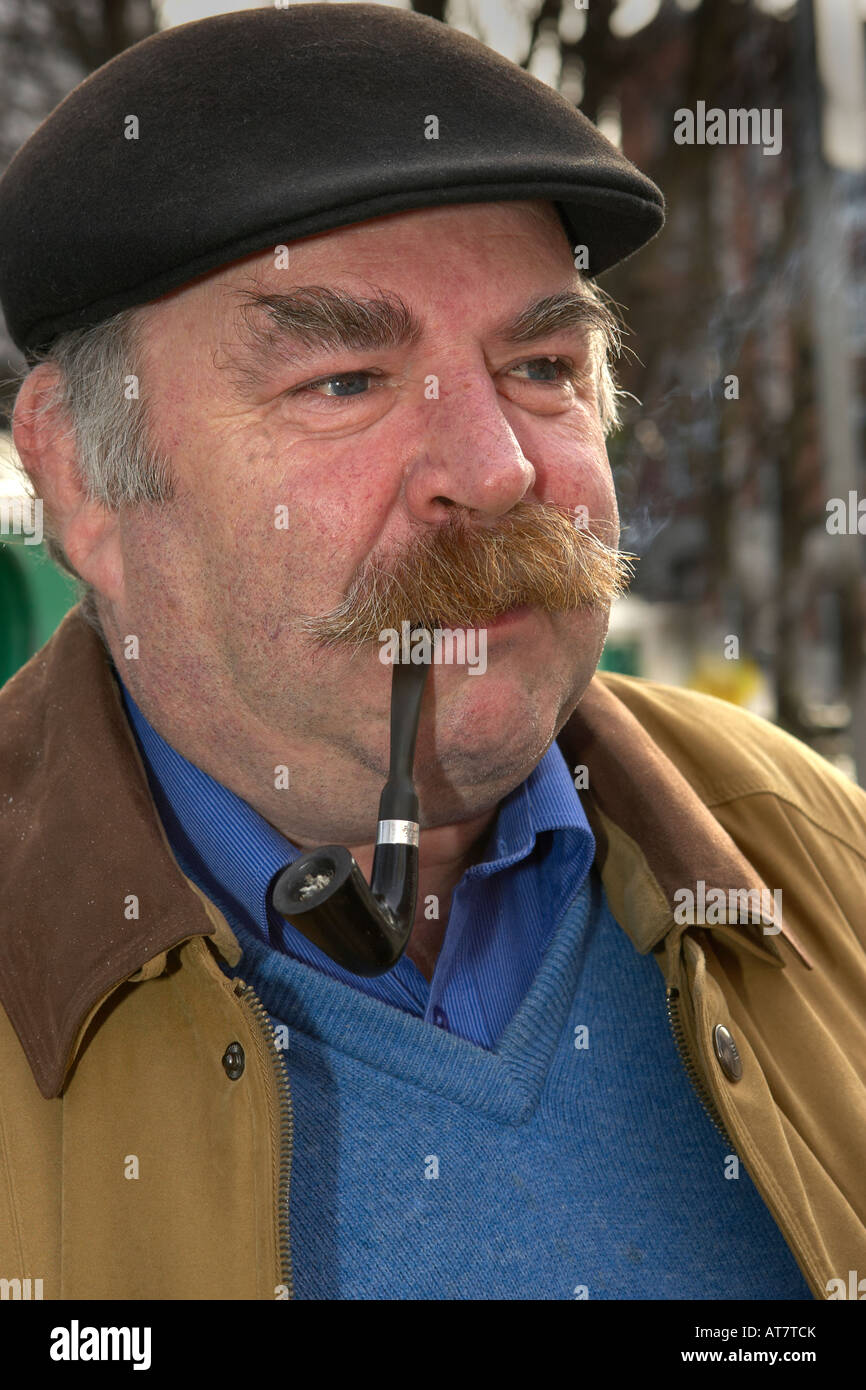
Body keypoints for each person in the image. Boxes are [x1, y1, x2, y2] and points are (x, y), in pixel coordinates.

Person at [1, 4, 864, 1303]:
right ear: (80, 477)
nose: (499, 470)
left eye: (539, 365)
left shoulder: (811, 849)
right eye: (342, 381)